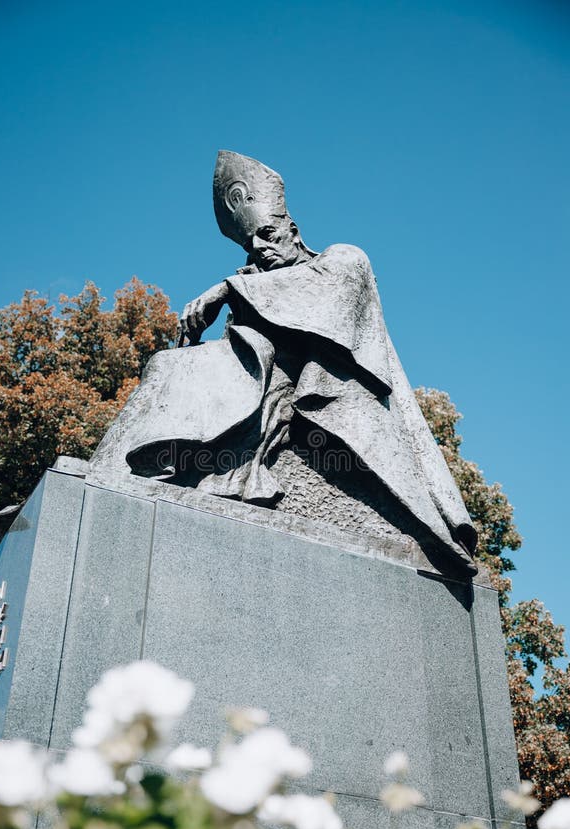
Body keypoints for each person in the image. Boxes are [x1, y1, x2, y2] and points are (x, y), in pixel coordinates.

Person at [91, 151, 477, 575]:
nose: (260, 247)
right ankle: (95, 485)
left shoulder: (342, 259)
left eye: (269, 234)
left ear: (293, 230)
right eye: (251, 242)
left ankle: (97, 494)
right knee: (166, 365)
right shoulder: (252, 282)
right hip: (256, 388)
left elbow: (317, 294)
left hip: (318, 400)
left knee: (179, 372)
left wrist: (225, 290)